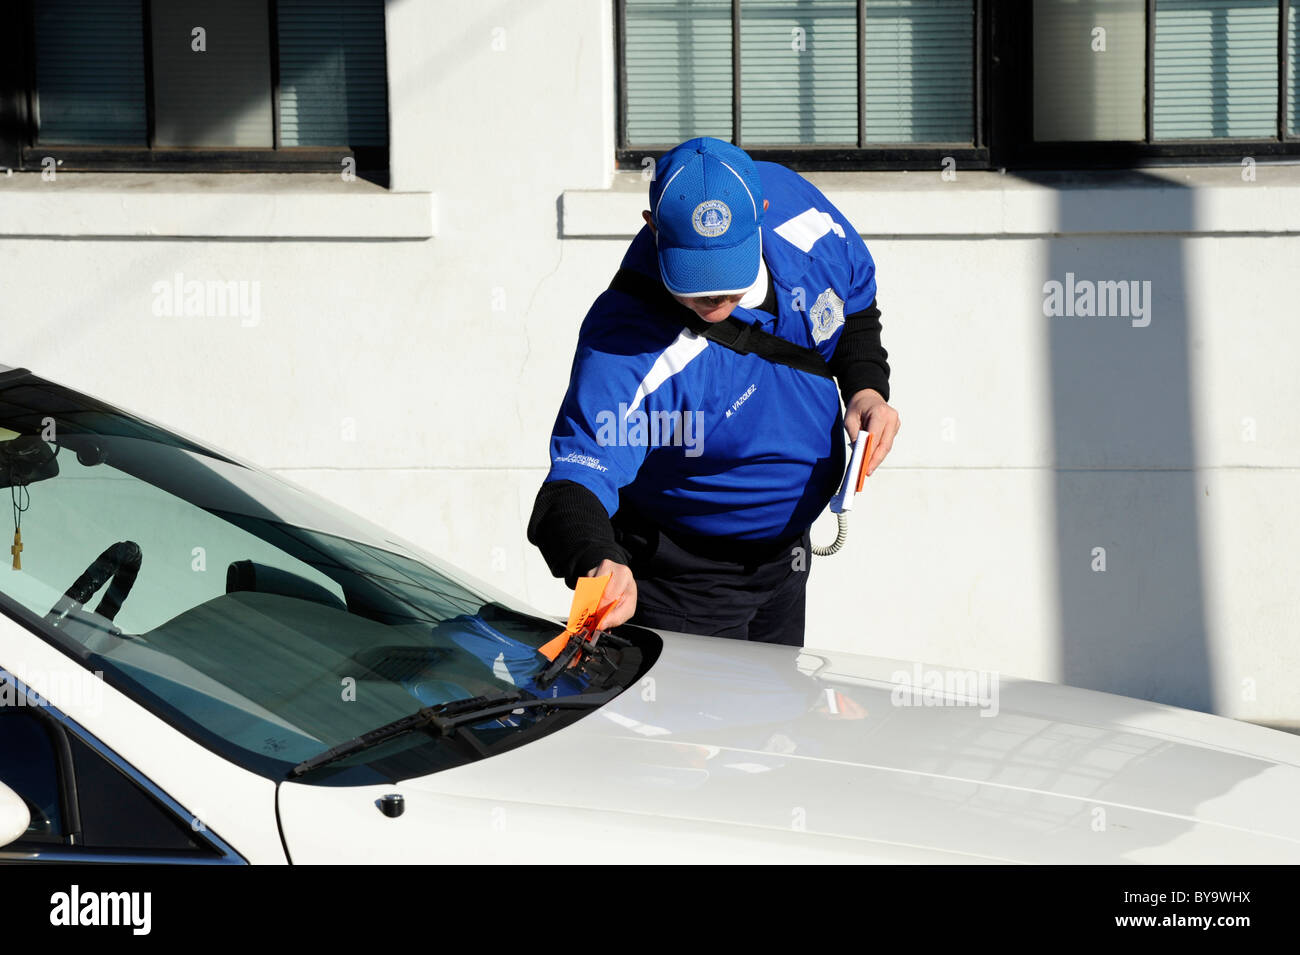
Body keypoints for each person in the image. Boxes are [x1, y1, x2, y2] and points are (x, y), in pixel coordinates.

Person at [528, 137, 898, 647]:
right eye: (695, 278)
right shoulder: (627, 347)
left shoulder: (801, 214)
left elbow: (855, 309)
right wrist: (598, 559)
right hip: (684, 584)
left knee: (778, 719)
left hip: (787, 561)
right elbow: (572, 489)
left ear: (762, 213)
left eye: (729, 272)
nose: (712, 294)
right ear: (651, 225)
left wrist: (866, 390)